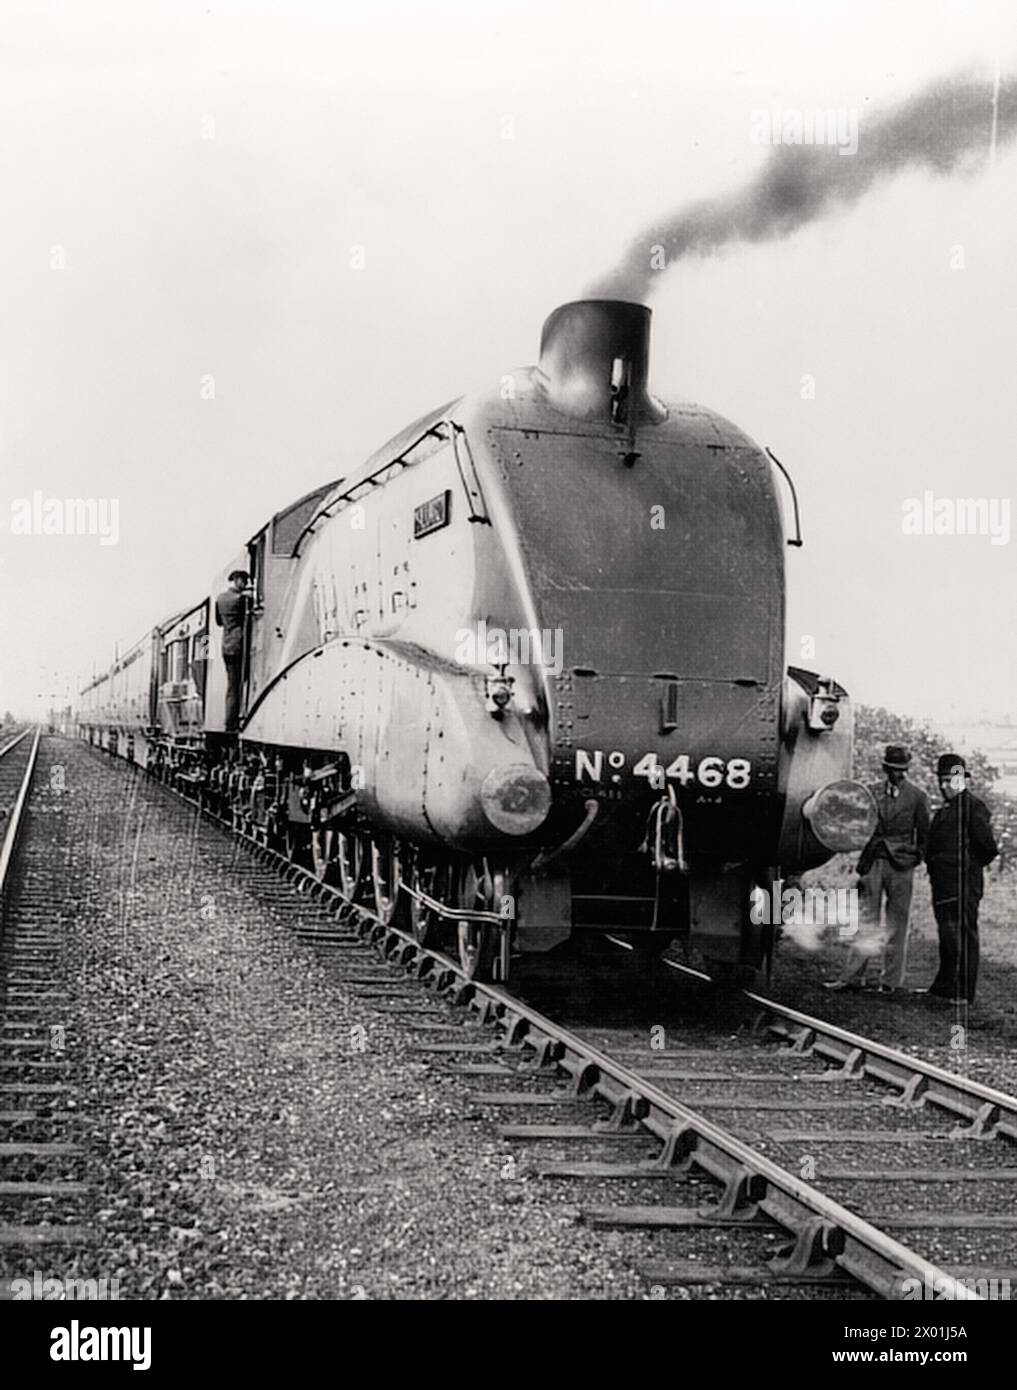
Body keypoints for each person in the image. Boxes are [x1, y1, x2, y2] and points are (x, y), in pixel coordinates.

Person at [824, 744, 930, 996]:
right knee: (865, 919)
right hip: (873, 862)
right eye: (894, 769)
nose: (899, 774)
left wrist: (915, 857)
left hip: (901, 866)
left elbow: (925, 835)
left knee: (897, 922)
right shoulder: (870, 793)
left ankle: (891, 982)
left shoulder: (917, 796)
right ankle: (852, 978)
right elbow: (857, 824)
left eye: (903, 769)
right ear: (885, 769)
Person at [921, 754, 998, 1006]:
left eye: (948, 781)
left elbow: (987, 848)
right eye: (940, 781)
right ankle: (944, 986)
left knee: (964, 936)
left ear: (961, 779)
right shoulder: (945, 809)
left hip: (963, 885)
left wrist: (966, 868)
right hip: (942, 885)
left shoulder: (974, 807)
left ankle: (964, 992)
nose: (943, 786)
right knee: (947, 935)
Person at [214, 570, 250, 732]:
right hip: (239, 644)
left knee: (231, 685)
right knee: (238, 684)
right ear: (237, 580)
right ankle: (233, 722)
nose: (246, 585)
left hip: (226, 645)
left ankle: (230, 721)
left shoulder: (220, 599)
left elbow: (219, 622)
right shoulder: (241, 600)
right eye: (244, 581)